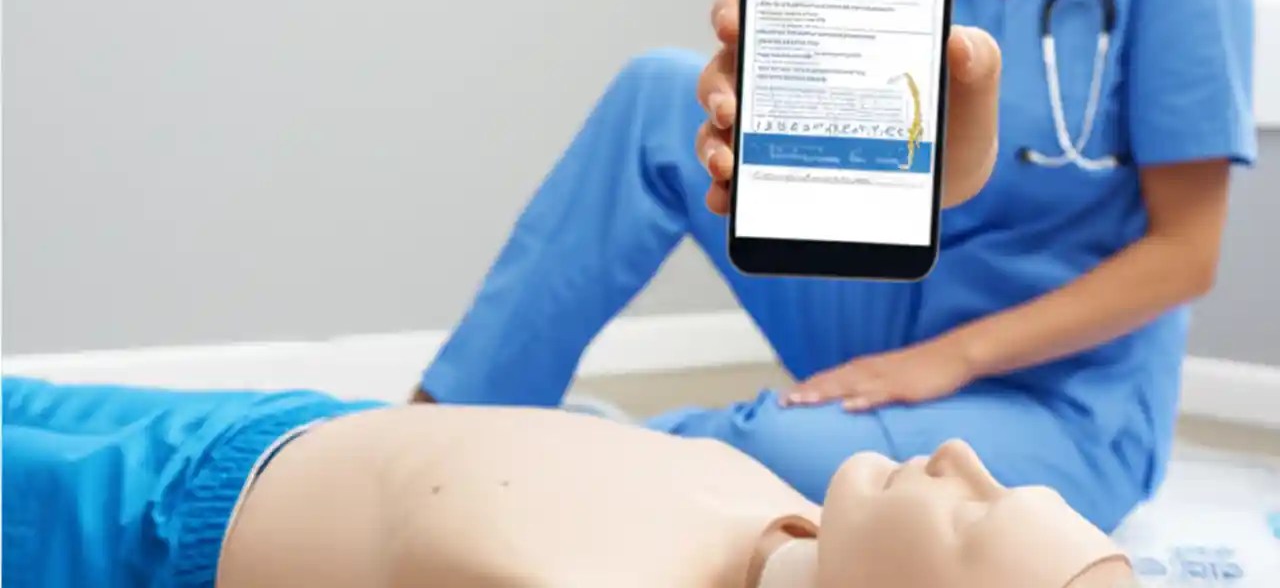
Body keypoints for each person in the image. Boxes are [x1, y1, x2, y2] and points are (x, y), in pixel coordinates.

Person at [415, 0, 1255, 534]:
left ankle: (538, 455)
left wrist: (948, 360)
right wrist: (759, 130)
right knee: (657, 93)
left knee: (771, 450)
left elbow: (1185, 256)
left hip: (1066, 400)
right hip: (905, 306)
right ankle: (434, 428)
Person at [2, 376, 1136, 587]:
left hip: (148, 534)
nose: (961, 459)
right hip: (286, 426)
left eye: (980, 517)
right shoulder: (790, 517)